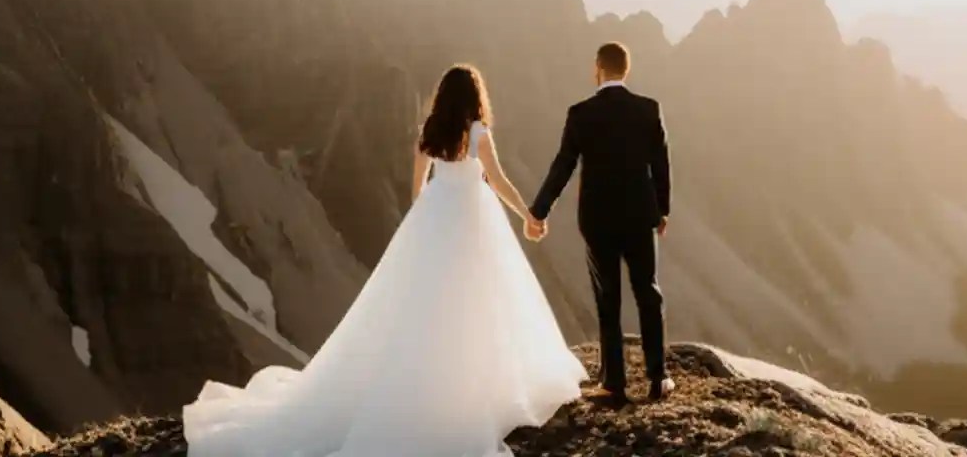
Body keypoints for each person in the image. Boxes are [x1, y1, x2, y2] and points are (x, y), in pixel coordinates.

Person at [184, 64, 585, 457]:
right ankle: (472, 384)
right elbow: (495, 180)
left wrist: (426, 222)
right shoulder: (478, 132)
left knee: (426, 307)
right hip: (473, 218)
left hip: (435, 216)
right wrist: (529, 215)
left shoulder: (428, 132)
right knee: (481, 299)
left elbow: (417, 189)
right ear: (474, 96)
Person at [530, 42, 674, 403]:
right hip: (640, 216)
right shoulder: (648, 109)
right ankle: (658, 379)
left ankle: (614, 384)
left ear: (598, 68)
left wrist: (539, 210)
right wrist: (662, 210)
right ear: (626, 69)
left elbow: (563, 165)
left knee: (607, 297)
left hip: (597, 220)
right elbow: (661, 163)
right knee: (648, 293)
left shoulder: (580, 114)